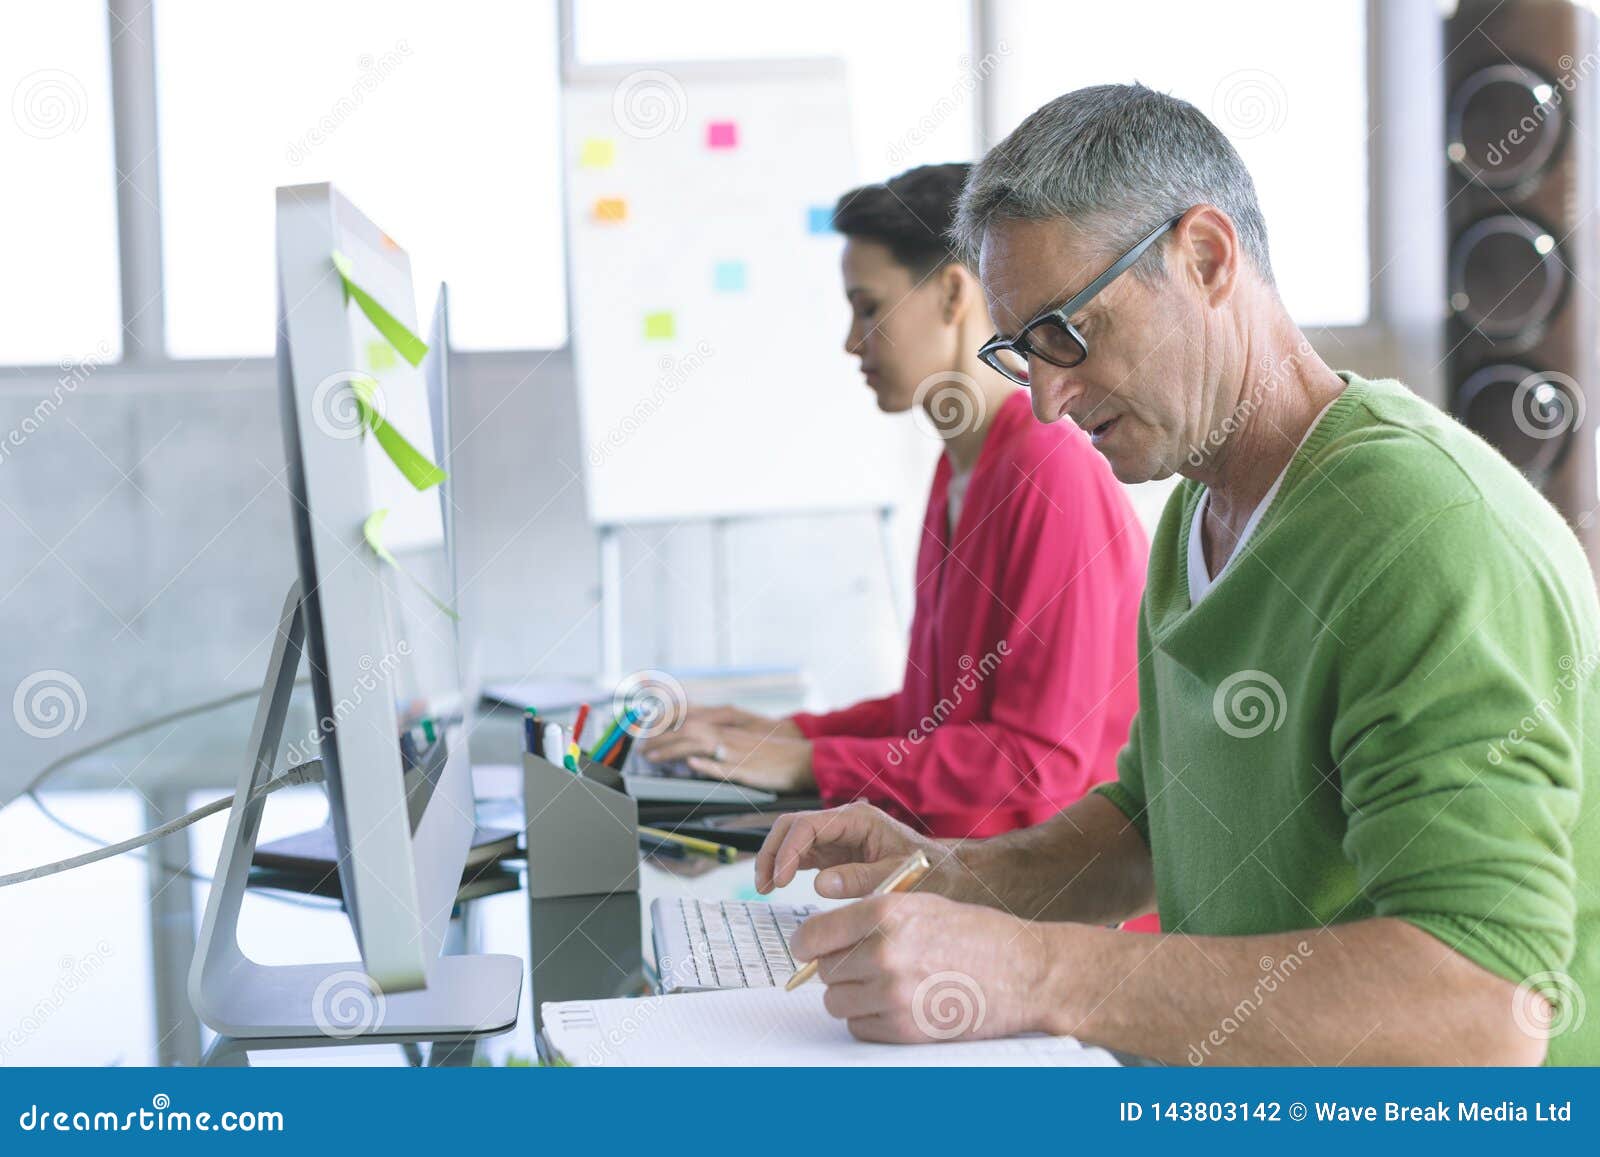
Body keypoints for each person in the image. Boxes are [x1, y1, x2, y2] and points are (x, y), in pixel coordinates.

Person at [754, 84, 1598, 1065]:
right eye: (1022, 351)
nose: (1049, 399)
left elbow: (1488, 1004)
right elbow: (1156, 824)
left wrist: (1038, 972)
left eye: (1070, 332)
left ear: (1204, 257)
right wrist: (946, 876)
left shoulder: (1424, 534)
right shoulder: (1200, 505)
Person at [642, 163, 1149, 841]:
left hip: (1051, 890)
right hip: (967, 868)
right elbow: (934, 716)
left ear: (952, 295)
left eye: (869, 307)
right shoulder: (960, 466)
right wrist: (788, 735)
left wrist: (813, 763)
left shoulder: (1048, 474)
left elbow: (1035, 767)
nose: (852, 341)